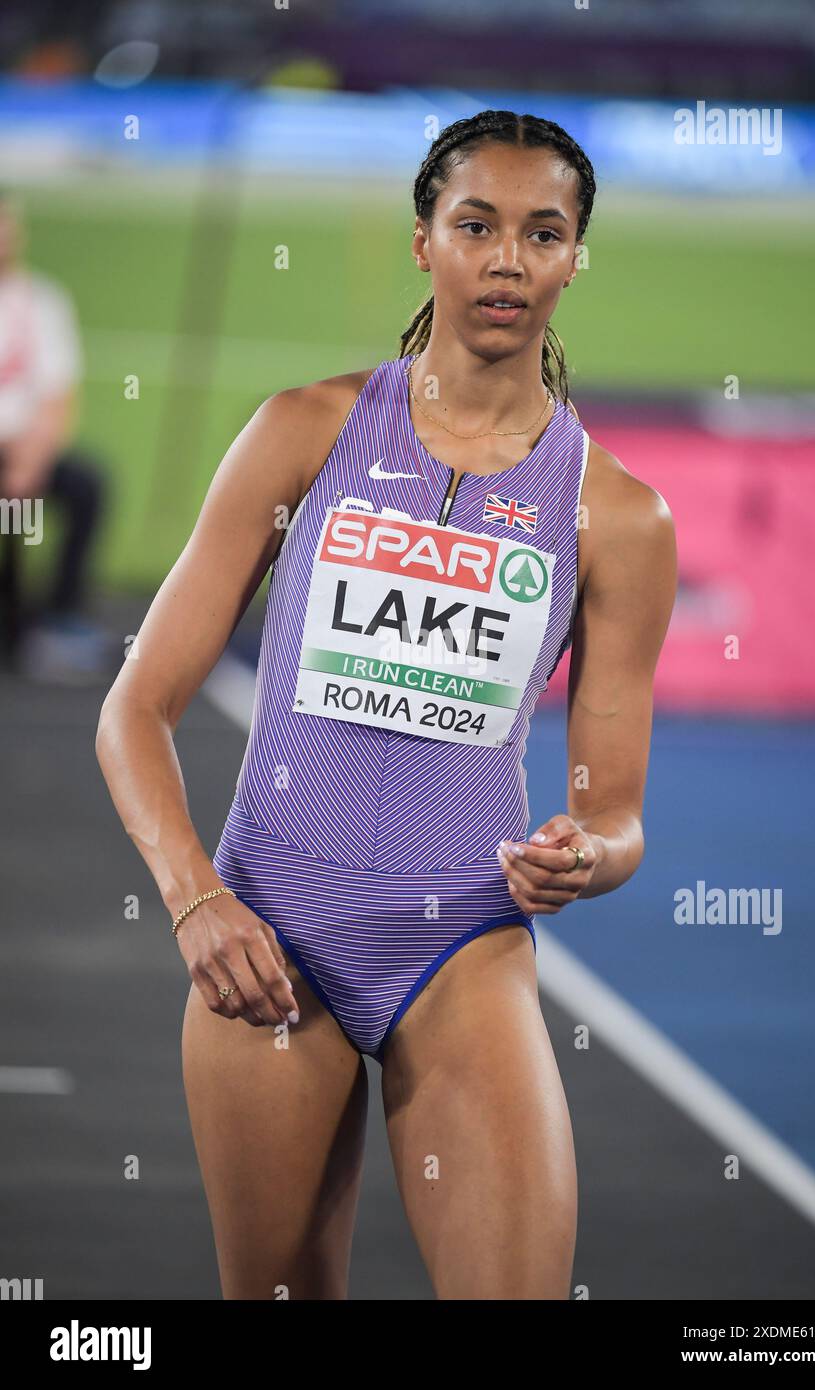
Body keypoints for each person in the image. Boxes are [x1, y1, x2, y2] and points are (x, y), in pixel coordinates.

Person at [95, 110, 677, 1300]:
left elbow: (613, 814)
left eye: (542, 231)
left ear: (575, 257)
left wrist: (587, 854)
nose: (506, 259)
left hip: (459, 946)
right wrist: (196, 898)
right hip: (270, 938)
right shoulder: (303, 435)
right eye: (476, 225)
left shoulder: (615, 517)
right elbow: (136, 705)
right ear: (424, 241)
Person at [0, 188, 111, 682]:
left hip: (26, 449)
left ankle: (59, 616)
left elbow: (57, 397)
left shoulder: (42, 302)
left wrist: (30, 459)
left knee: (88, 483)